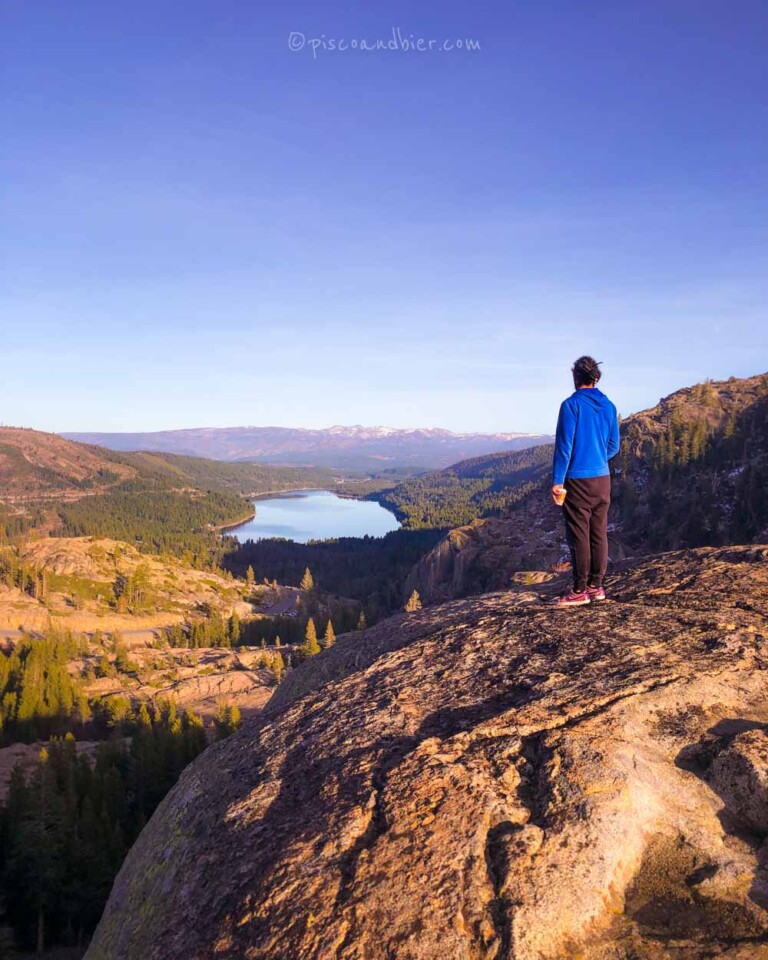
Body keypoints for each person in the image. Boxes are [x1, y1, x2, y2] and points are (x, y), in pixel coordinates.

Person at [551, 356, 620, 607]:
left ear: (575, 378)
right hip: (603, 479)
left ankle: (579, 590)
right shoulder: (609, 406)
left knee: (579, 534)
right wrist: (598, 459)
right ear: (596, 378)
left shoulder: (571, 406)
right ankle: (596, 587)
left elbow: (564, 447)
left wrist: (558, 482)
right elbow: (614, 445)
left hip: (578, 480)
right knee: (599, 532)